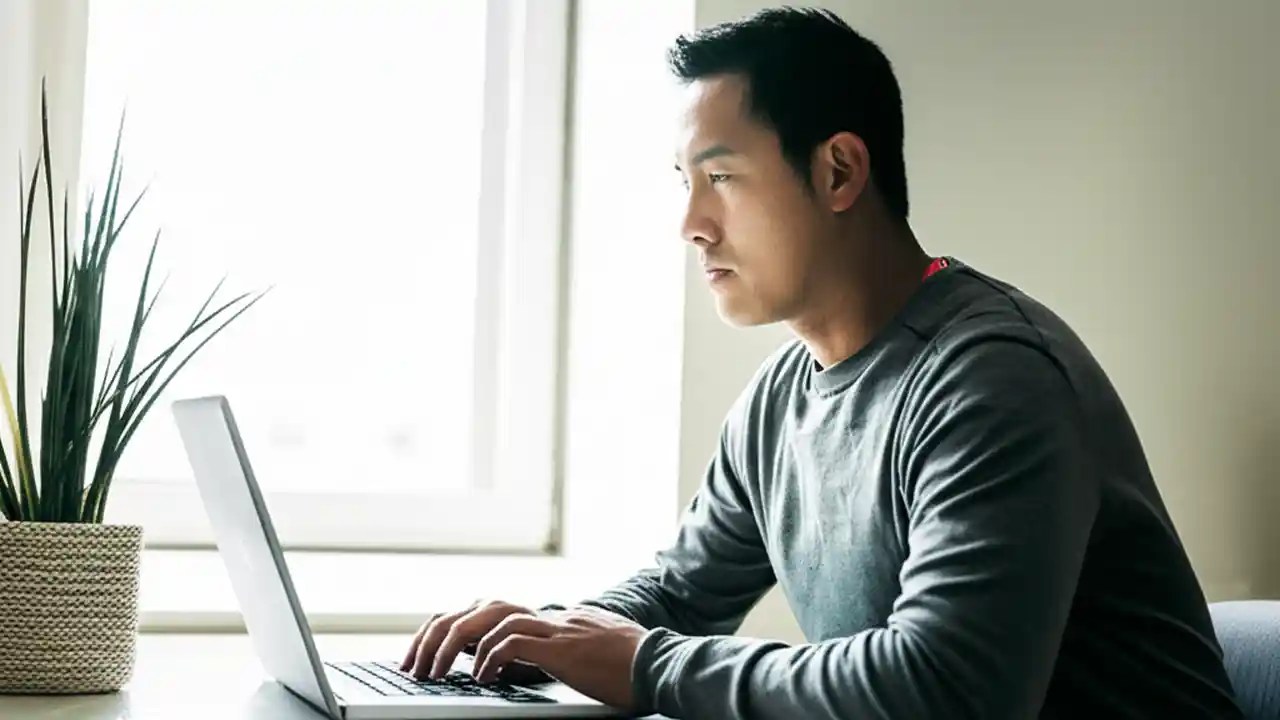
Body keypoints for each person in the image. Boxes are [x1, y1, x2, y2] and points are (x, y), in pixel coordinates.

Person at [401, 7, 1243, 718]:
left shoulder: (994, 379)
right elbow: (679, 594)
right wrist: (547, 631)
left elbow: (949, 690)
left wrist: (644, 664)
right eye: (682, 183)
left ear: (839, 170)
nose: (690, 223)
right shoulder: (781, 399)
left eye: (721, 177)